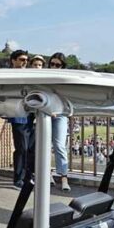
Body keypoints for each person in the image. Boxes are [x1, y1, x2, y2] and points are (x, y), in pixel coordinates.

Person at [8, 50, 34, 189]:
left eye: (26, 60)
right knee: (21, 148)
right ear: (13, 60)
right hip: (18, 117)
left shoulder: (29, 74)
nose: (24, 62)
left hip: (30, 116)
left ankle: (26, 177)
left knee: (29, 148)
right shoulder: (8, 75)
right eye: (21, 59)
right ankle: (18, 179)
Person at [49, 52, 71, 191]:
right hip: (45, 114)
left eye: (57, 65)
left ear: (62, 66)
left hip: (61, 114)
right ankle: (47, 174)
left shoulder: (65, 79)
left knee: (59, 146)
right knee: (44, 146)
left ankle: (64, 177)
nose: (54, 67)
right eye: (52, 64)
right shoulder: (44, 77)